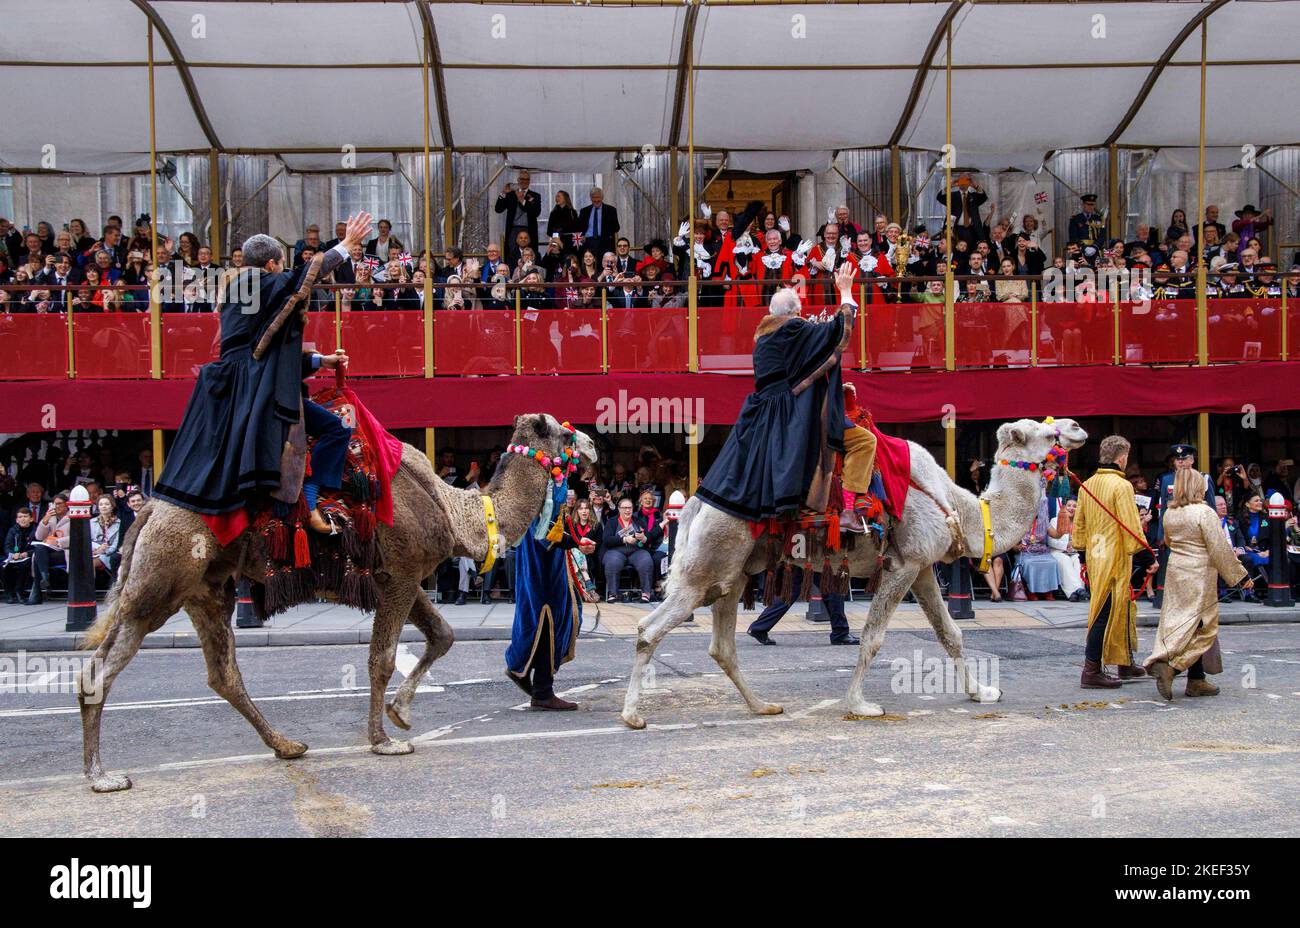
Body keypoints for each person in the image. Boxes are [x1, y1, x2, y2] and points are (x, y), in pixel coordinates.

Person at [152, 214, 373, 532]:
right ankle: (309, 505)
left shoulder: (234, 290)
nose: (282, 274)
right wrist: (346, 245)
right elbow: (303, 278)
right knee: (336, 430)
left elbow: (265, 350)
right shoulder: (257, 282)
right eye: (281, 267)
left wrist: (319, 361)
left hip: (241, 384)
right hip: (259, 389)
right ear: (271, 265)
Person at [1145, 469, 1248, 699]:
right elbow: (1219, 548)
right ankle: (1172, 667)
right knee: (1204, 627)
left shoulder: (1170, 513)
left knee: (1181, 623)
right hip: (1200, 574)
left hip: (1176, 572)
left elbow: (1169, 541)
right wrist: (1241, 577)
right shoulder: (1204, 512)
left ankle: (1197, 679)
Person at [1072, 435, 1149, 688]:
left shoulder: (1088, 484)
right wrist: (1147, 555)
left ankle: (1124, 661)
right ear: (1122, 457)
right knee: (1104, 611)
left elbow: (1079, 524)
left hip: (1095, 556)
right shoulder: (1122, 486)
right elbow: (1131, 524)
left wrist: (1083, 555)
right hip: (1115, 556)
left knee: (1122, 607)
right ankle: (1091, 669)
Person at [505, 466, 585, 711]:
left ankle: (526, 673)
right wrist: (578, 543)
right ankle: (541, 690)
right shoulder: (544, 496)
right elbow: (546, 535)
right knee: (547, 624)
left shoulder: (534, 495)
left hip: (541, 569)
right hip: (544, 574)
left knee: (540, 622)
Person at [747, 565, 859, 646]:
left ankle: (759, 627)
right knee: (831, 587)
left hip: (801, 549)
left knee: (790, 591)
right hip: (814, 552)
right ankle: (840, 632)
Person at [601, 497, 654, 603]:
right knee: (612, 562)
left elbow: (648, 538)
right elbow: (606, 540)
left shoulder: (638, 521)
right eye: (624, 508)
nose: (627, 510)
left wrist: (643, 538)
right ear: (619, 509)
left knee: (646, 560)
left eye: (629, 508)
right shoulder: (612, 522)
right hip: (616, 551)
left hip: (636, 551)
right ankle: (613, 593)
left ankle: (646, 593)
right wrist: (624, 539)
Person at [28, 492, 70, 605]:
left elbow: (76, 537)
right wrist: (45, 520)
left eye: (59, 503)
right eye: (54, 504)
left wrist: (57, 541)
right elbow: (39, 537)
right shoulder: (51, 518)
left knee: (37, 556)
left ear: (66, 504)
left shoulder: (73, 517)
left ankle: (38, 589)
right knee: (39, 549)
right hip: (49, 551)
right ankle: (45, 578)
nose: (56, 506)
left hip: (65, 551)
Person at [2, 507, 35, 604]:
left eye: (25, 516)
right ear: (17, 519)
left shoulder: (35, 529)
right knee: (4, 567)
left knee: (25, 565)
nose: (23, 519)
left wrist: (27, 554)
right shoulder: (13, 530)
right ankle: (9, 593)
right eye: (20, 517)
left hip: (28, 557)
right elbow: (7, 546)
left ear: (31, 519)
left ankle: (19, 591)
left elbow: (39, 546)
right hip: (14, 557)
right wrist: (12, 554)